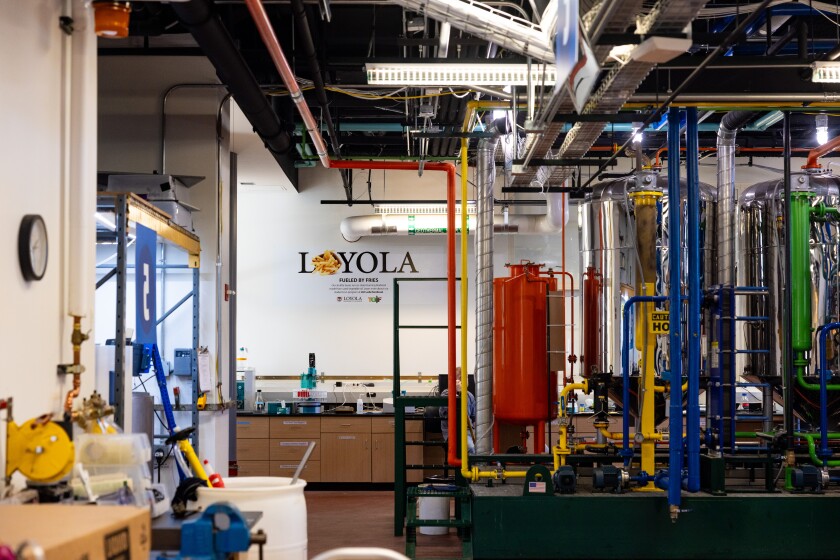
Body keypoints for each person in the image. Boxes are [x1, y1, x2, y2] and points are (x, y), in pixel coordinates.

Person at [439, 367, 476, 453]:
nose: (465, 380)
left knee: (486, 447)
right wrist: (457, 392)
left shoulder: (470, 396)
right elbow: (445, 413)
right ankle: (472, 466)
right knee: (470, 448)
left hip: (469, 432)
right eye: (459, 377)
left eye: (466, 377)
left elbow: (474, 418)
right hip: (454, 432)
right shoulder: (446, 393)